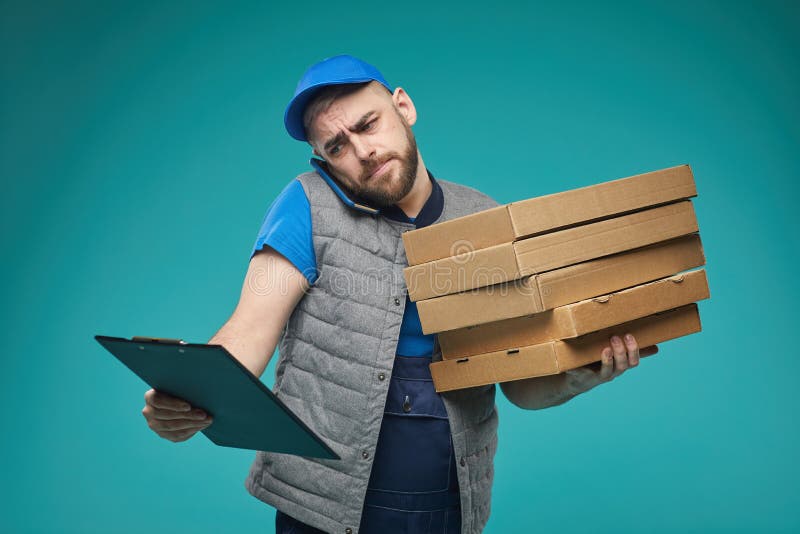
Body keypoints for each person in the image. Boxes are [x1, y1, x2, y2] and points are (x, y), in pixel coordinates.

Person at [140, 55, 659, 534]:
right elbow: (248, 331)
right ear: (323, 161)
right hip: (317, 510)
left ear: (403, 108)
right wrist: (187, 398)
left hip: (446, 510)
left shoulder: (484, 221)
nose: (363, 151)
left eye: (368, 124)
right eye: (337, 146)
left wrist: (580, 372)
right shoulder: (306, 205)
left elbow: (521, 387)